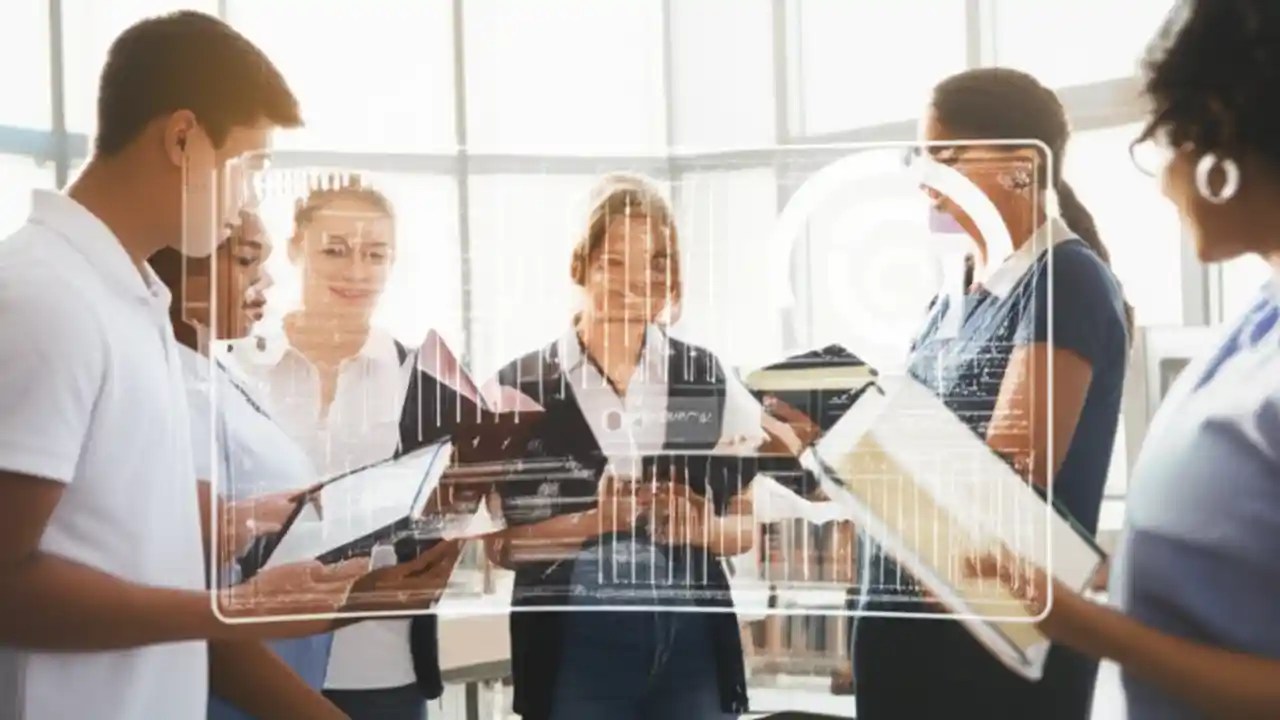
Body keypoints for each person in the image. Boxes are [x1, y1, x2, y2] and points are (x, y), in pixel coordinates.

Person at [0, 12, 359, 720]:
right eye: (249, 169)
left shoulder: (132, 301)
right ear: (183, 139)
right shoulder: (47, 298)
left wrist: (239, 522)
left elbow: (105, 519)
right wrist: (233, 611)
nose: (246, 205)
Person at [970, 2, 1280, 718]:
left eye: (1164, 142)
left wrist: (1084, 626)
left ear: (1220, 136)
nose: (1163, 179)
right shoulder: (1254, 323)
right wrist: (1108, 579)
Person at [851, 68, 1131, 720]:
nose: (927, 180)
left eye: (947, 157)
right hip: (907, 637)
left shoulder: (1065, 281)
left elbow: (1005, 483)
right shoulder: (946, 302)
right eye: (922, 159)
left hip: (989, 661)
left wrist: (859, 451)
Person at [482, 173, 809, 720]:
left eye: (656, 263)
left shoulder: (704, 375)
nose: (638, 281)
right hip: (572, 652)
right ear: (580, 265)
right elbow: (502, 549)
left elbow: (743, 525)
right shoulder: (519, 388)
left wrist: (702, 529)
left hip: (691, 650)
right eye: (615, 261)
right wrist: (594, 523)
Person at [230, 178, 440, 720]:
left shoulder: (418, 375)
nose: (356, 271)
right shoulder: (237, 367)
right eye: (335, 250)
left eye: (376, 254)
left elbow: (442, 518)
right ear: (296, 247)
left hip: (382, 663)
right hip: (251, 659)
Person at [149, 212, 347, 719]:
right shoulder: (168, 387)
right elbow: (198, 608)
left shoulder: (209, 371)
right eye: (244, 260)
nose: (265, 281)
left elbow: (229, 524)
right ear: (167, 266)